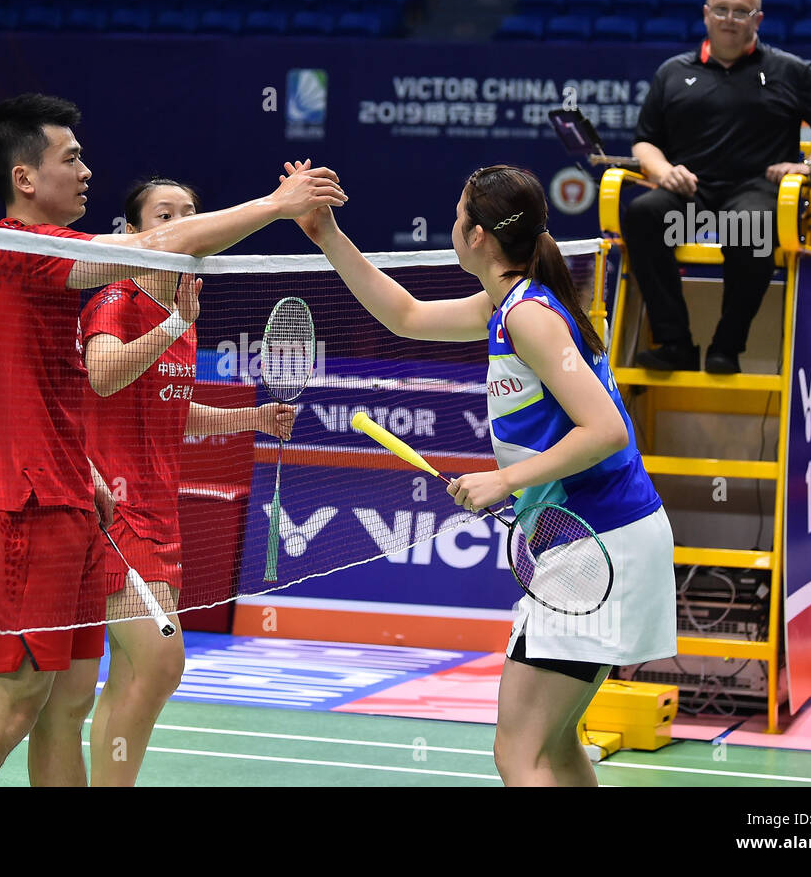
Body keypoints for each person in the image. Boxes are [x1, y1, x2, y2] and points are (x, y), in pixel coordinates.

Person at [0, 94, 345, 788]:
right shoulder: (21, 253)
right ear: (25, 177)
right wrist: (277, 204)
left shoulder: (54, 275)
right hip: (20, 509)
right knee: (8, 710)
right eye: (71, 159)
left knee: (62, 709)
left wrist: (79, 469)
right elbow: (155, 259)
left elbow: (55, 389)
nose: (86, 170)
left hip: (70, 506)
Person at [289, 163, 676, 786]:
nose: (451, 225)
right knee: (554, 747)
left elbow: (606, 431)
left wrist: (504, 481)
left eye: (457, 214)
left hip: (600, 544)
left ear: (477, 237)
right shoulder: (505, 305)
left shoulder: (529, 316)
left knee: (519, 753)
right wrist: (328, 235)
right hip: (596, 541)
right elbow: (407, 317)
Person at [81, 178, 296, 786]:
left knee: (132, 675)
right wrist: (174, 324)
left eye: (190, 214)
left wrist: (250, 418)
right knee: (161, 660)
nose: (181, 224)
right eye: (164, 214)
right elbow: (101, 375)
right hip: (114, 517)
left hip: (160, 514)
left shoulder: (180, 312)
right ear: (131, 233)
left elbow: (176, 409)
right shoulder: (115, 301)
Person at [627, 0, 811, 374]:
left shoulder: (789, 70)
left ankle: (727, 347)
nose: (730, 19)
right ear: (706, 15)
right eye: (721, 9)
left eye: (742, 12)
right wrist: (665, 171)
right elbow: (644, 143)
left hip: (758, 190)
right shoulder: (673, 72)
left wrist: (808, 166)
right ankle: (675, 344)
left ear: (758, 19)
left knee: (752, 224)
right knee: (642, 214)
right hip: (692, 198)